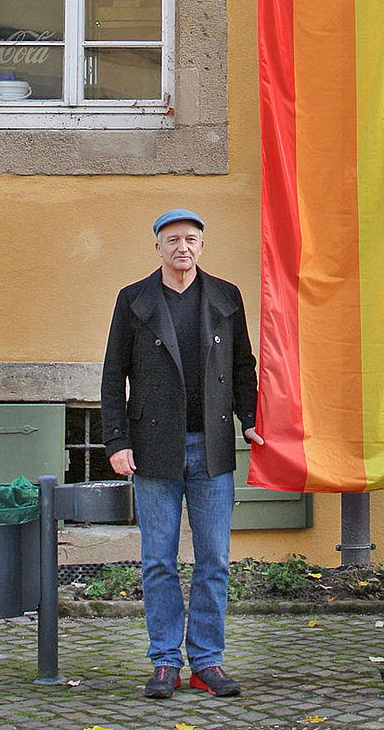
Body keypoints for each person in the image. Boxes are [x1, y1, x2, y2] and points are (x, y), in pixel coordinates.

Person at [101, 209, 262, 699]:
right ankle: (166, 661)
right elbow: (114, 374)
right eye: (173, 240)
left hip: (211, 448)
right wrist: (116, 440)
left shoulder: (225, 297)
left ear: (202, 246)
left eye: (191, 239)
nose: (182, 248)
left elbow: (242, 367)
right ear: (158, 247)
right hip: (154, 450)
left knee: (214, 559)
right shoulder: (133, 300)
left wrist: (251, 419)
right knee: (158, 560)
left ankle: (207, 662)